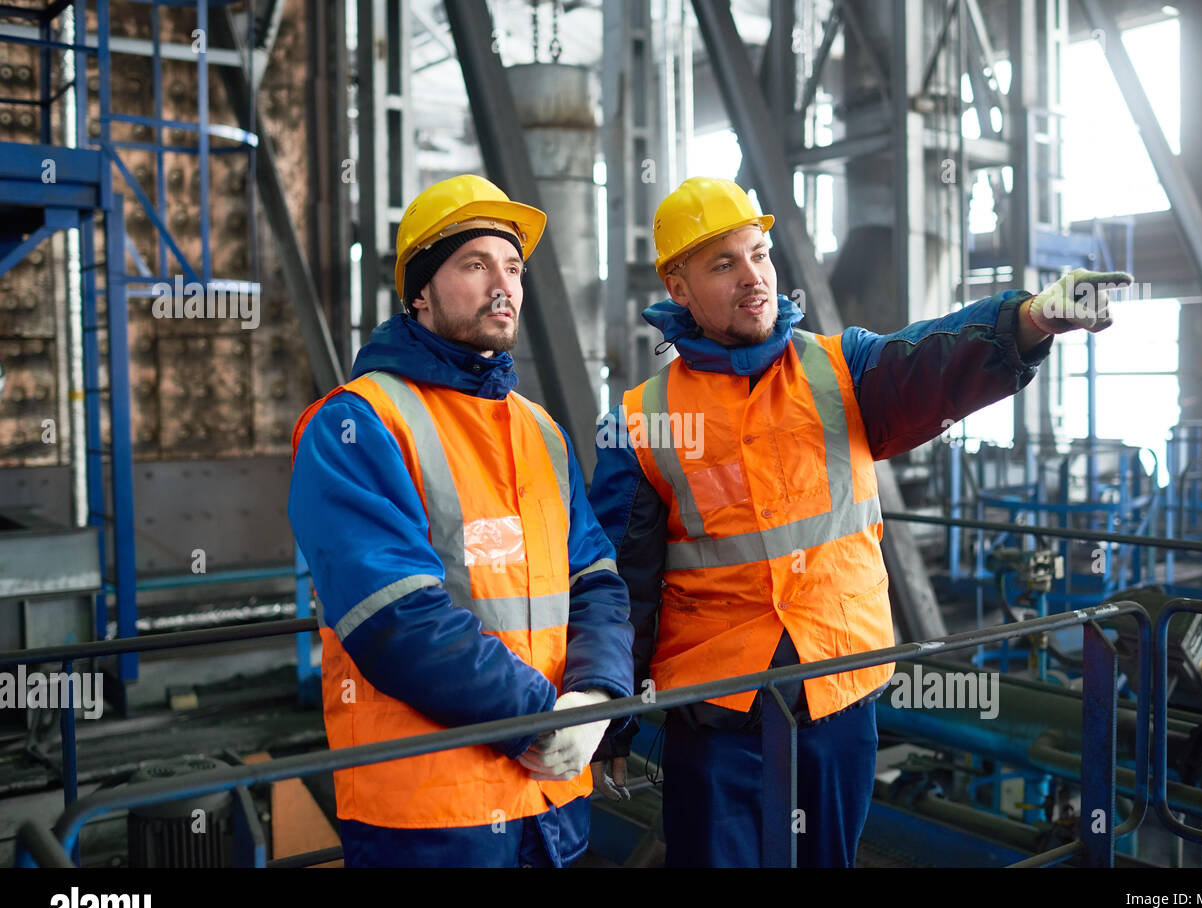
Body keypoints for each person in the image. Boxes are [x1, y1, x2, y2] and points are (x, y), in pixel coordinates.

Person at [588, 176, 1128, 867]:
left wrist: (1030, 319)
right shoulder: (641, 422)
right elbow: (621, 592)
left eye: (759, 253)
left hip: (838, 693)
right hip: (719, 715)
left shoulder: (841, 370)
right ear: (678, 285)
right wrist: (610, 728)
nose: (753, 276)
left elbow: (932, 358)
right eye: (723, 263)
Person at [288, 173, 634, 867]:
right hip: (429, 816)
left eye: (512, 267)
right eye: (475, 265)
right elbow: (398, 619)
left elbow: (596, 578)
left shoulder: (541, 431)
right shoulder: (355, 425)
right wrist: (540, 714)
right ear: (420, 292)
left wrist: (595, 695)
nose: (501, 284)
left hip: (552, 802)